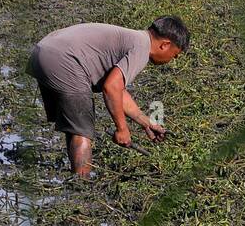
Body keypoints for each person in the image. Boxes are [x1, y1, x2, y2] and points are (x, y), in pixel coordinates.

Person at [27, 17, 189, 177]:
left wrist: (145, 122)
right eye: (174, 55)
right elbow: (111, 87)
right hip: (65, 61)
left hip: (43, 52)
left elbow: (118, 90)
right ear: (165, 45)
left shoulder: (135, 38)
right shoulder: (141, 47)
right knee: (82, 131)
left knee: (75, 126)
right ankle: (81, 185)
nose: (172, 60)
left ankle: (75, 177)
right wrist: (122, 129)